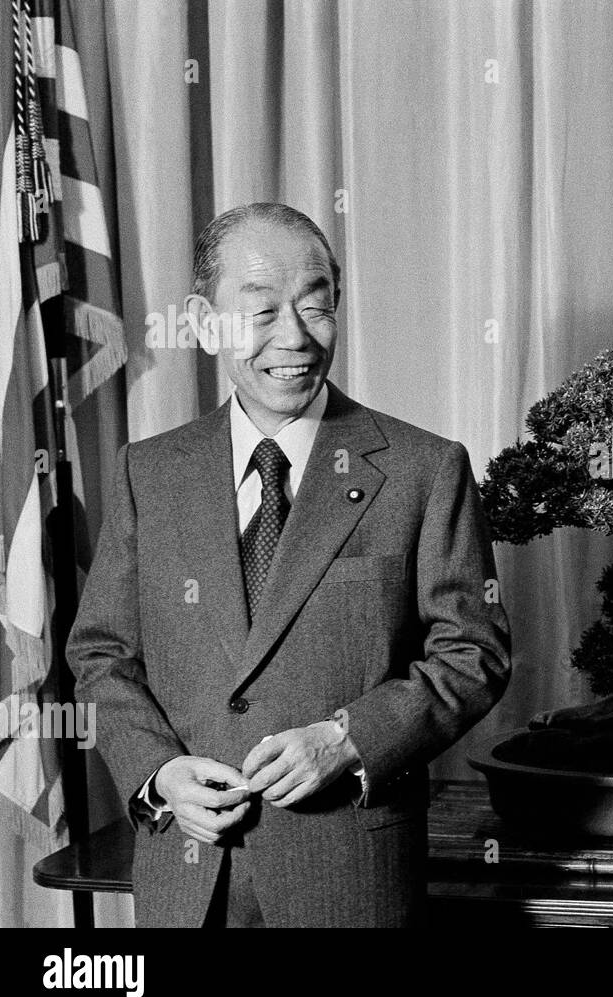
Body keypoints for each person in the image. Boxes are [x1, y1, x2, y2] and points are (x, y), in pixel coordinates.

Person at [68, 202, 510, 927]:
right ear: (206, 324)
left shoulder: (425, 470)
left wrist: (348, 738)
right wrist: (159, 774)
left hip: (349, 883)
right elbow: (101, 652)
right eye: (262, 311)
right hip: (188, 885)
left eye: (316, 305)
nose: (295, 337)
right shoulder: (149, 473)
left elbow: (475, 653)